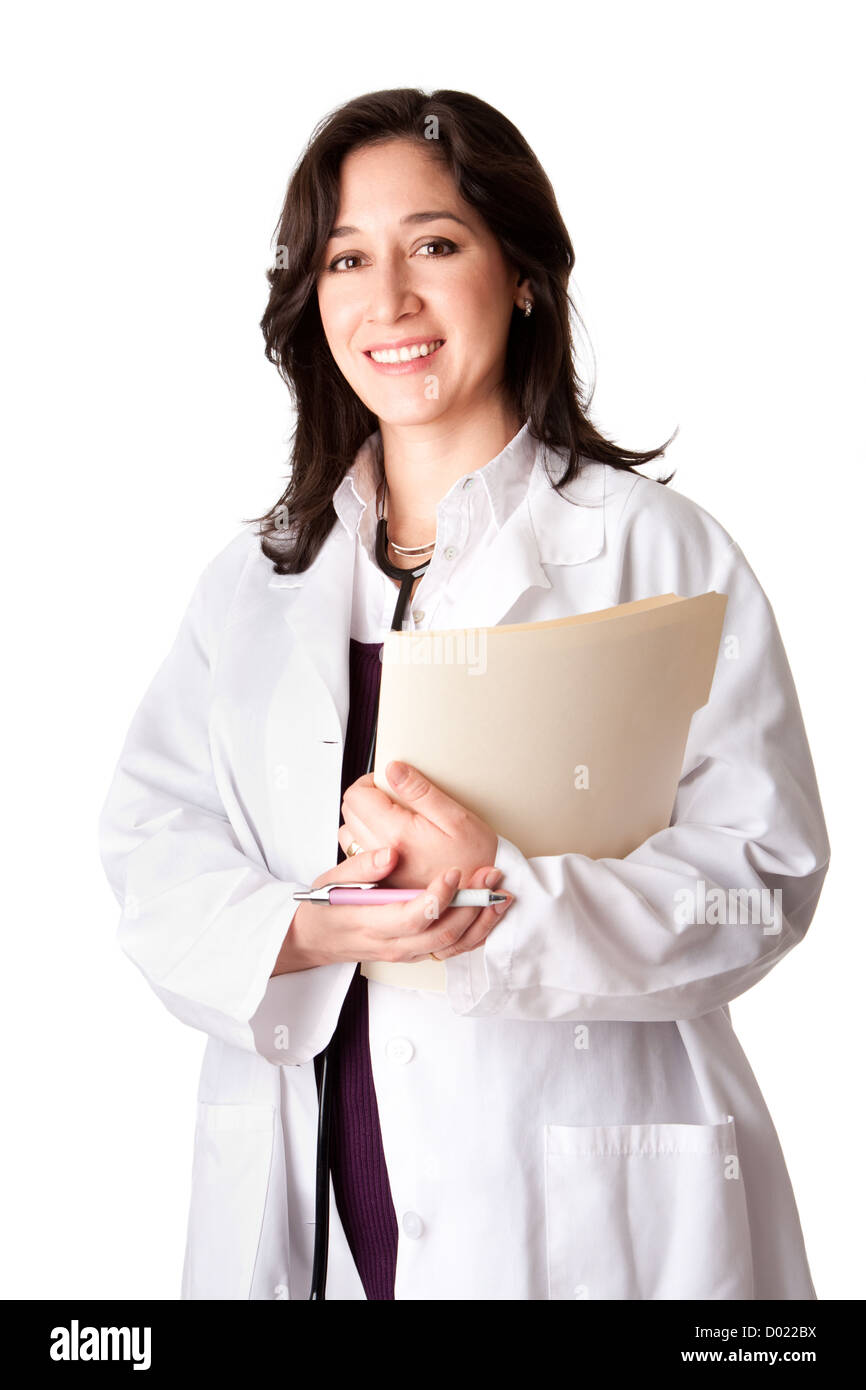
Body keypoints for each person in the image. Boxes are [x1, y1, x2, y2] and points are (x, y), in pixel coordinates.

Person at [97, 88, 830, 1301]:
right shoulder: (254, 584)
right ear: (309, 298)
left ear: (523, 272)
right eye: (345, 257)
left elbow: (761, 876)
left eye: (434, 243)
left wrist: (501, 897)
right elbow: (149, 846)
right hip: (321, 1179)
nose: (388, 300)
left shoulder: (654, 551)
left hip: (583, 1203)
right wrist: (312, 925)